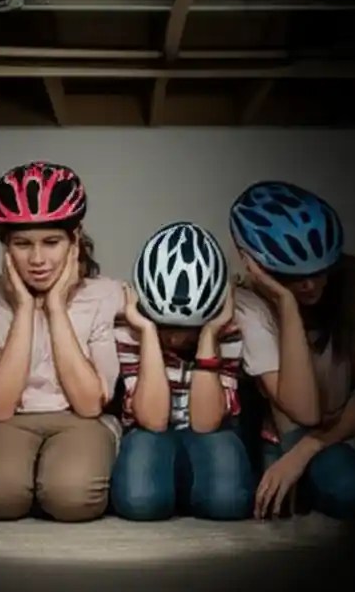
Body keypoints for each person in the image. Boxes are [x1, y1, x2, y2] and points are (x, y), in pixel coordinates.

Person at [0, 161, 123, 522]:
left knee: (73, 498)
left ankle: (46, 479)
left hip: (80, 419)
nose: (36, 259)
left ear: (74, 239)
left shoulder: (106, 295)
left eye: (51, 242)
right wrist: (22, 308)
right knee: (0, 498)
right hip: (6, 421)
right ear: (5, 245)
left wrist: (54, 306)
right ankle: (28, 479)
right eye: (22, 244)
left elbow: (89, 404)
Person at [229, 180, 355, 520]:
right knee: (348, 491)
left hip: (342, 424)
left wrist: (309, 449)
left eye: (319, 271)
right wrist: (286, 303)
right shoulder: (248, 303)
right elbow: (305, 412)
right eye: (293, 275)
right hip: (287, 427)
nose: (310, 284)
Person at [109, 222, 254, 521]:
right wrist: (148, 333)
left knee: (228, 503)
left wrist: (209, 336)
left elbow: (205, 422)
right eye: (166, 327)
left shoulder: (225, 330)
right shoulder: (131, 328)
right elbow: (153, 419)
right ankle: (173, 486)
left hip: (209, 430)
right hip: (150, 430)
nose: (175, 339)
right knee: (141, 502)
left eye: (187, 329)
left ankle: (187, 486)